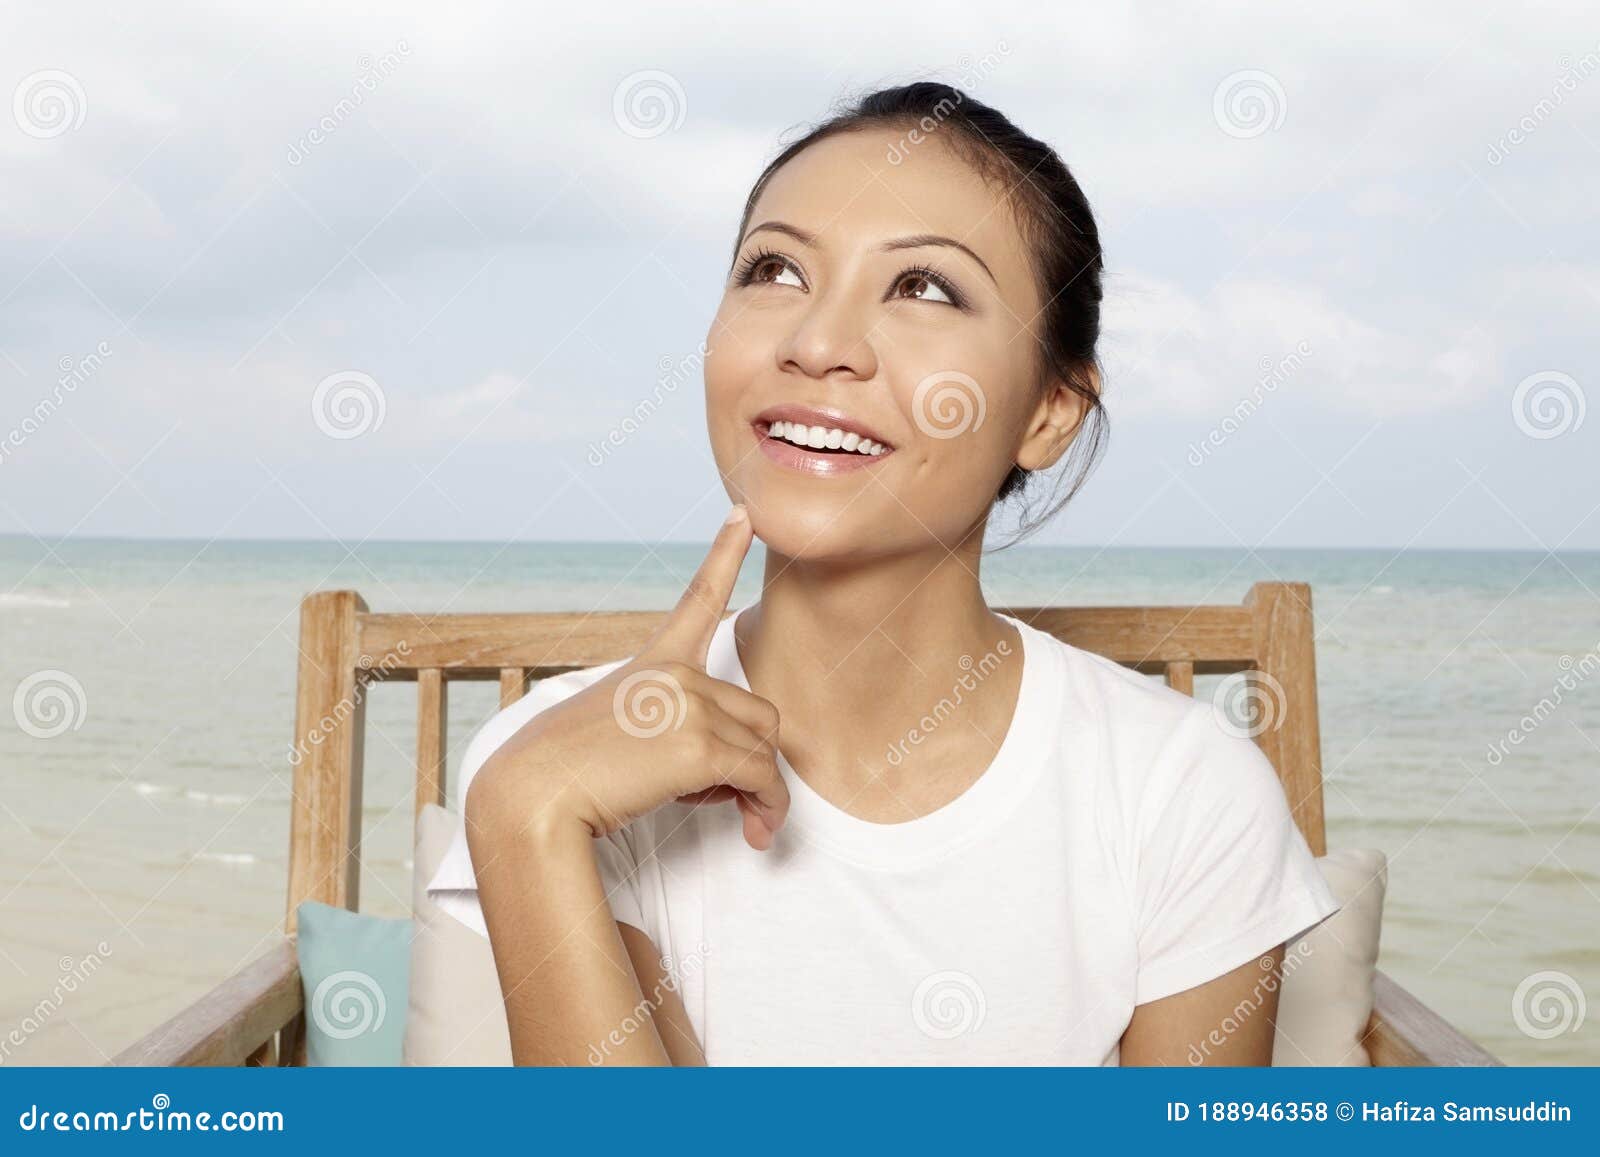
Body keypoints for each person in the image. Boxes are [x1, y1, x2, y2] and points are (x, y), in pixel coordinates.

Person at [427, 81, 1340, 1065]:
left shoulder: (1182, 791)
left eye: (924, 288)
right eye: (774, 268)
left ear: (1048, 412)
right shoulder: (553, 762)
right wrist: (526, 813)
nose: (814, 343)